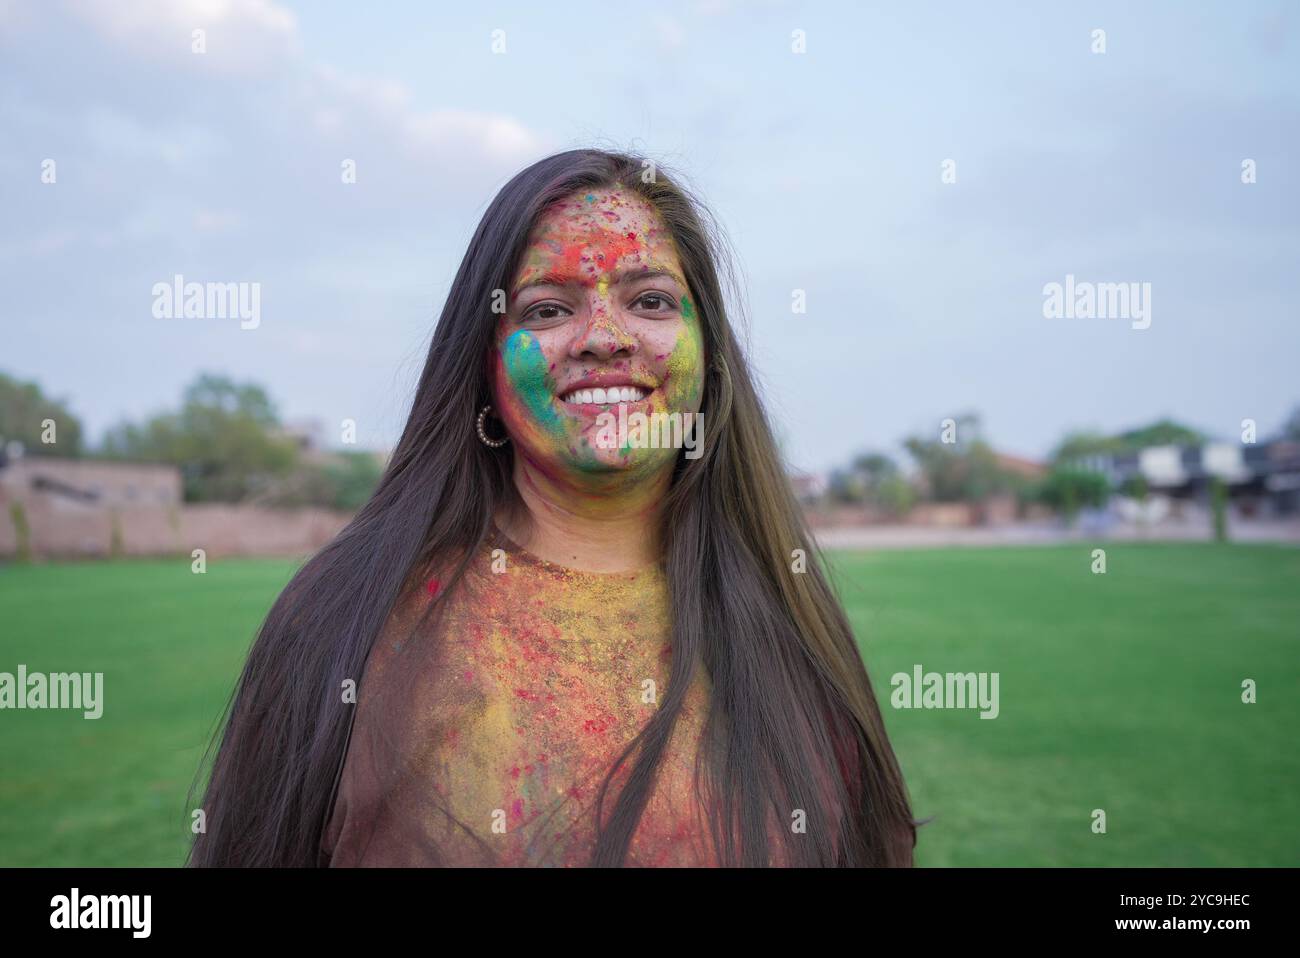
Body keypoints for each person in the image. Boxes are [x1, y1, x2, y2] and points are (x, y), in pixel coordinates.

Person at [188, 148, 917, 867]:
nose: (603, 337)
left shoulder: (788, 621)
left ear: (709, 349)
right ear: (483, 359)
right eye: (547, 308)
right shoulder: (344, 615)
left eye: (651, 300)